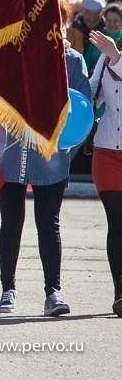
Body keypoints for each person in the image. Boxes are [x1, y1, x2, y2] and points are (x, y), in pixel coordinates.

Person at [0, 39, 89, 317]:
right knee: (10, 221)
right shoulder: (8, 52)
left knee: (48, 222)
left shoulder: (72, 60)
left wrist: (63, 151)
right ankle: (8, 289)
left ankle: (53, 292)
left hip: (51, 156)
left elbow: (83, 111)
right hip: (10, 151)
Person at [88, 28, 122, 316]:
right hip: (107, 151)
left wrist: (116, 58)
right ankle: (120, 292)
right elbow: (90, 95)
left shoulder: (113, 54)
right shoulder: (107, 55)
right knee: (117, 221)